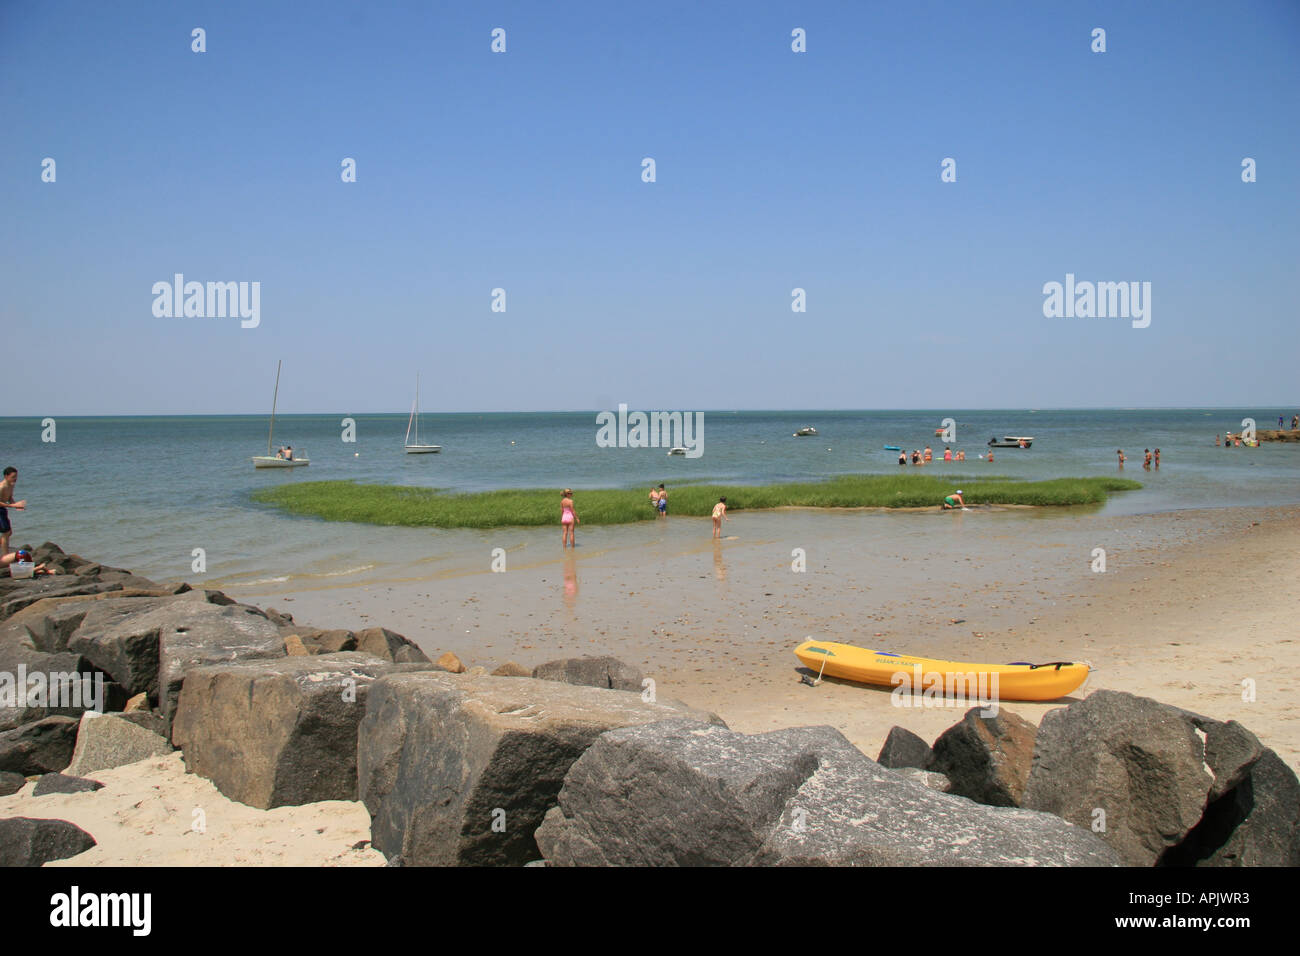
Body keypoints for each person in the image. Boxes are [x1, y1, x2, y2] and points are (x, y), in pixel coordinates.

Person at [0, 467, 26, 558]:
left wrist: (16, 505)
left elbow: (9, 497)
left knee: (9, 532)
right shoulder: (1, 486)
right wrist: (13, 506)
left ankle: (3, 550)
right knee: (6, 533)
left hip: (3, 510)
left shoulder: (11, 484)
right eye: (13, 477)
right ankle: (5, 556)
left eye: (16, 477)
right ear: (6, 476)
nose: (15, 479)